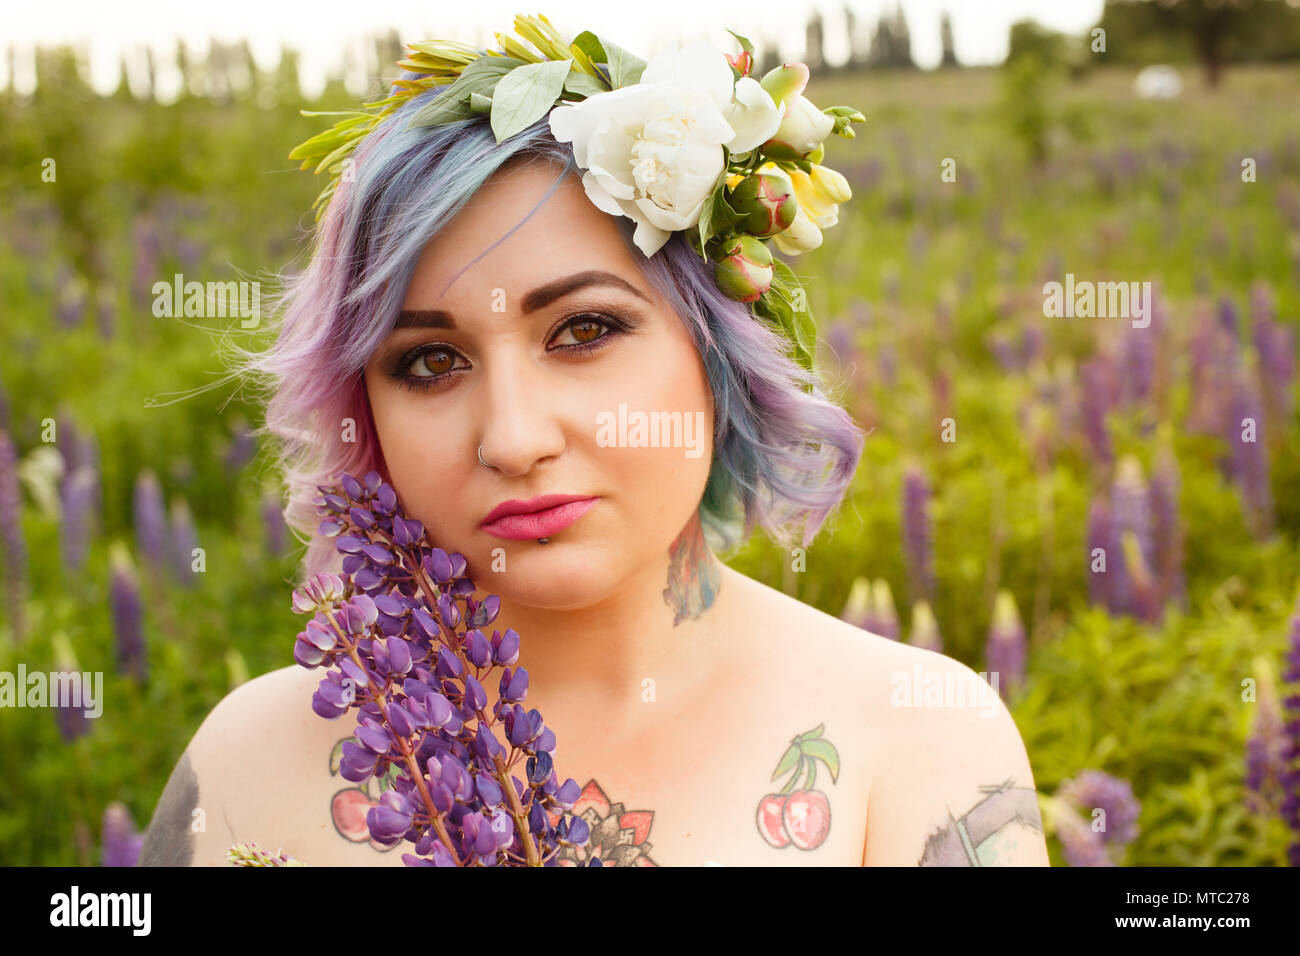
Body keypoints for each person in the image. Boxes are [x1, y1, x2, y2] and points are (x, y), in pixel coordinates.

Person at [139, 22, 1047, 867]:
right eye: (429, 361)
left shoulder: (918, 739)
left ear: (715, 344)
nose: (514, 437)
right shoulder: (242, 769)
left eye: (582, 331)